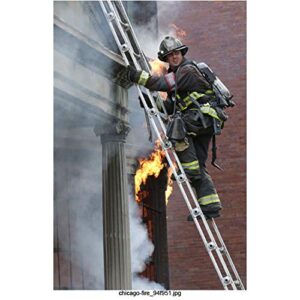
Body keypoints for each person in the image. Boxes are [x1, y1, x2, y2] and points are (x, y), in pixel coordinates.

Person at [127, 36, 227, 219]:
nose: (174, 57)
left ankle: (189, 169)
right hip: (201, 122)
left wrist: (137, 77)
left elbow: (161, 84)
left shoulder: (187, 71)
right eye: (170, 55)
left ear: (182, 53)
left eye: (177, 53)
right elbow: (170, 106)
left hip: (200, 119)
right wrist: (151, 102)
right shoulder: (180, 78)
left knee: (176, 127)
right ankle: (210, 205)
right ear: (166, 58)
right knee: (199, 165)